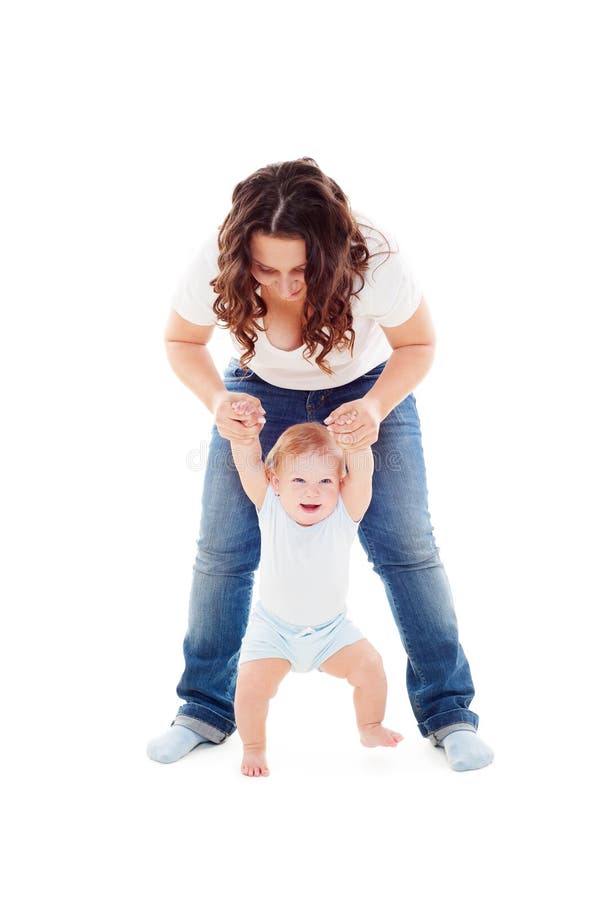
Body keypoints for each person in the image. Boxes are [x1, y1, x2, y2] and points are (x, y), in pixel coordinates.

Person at [147, 156, 494, 772]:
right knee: (223, 549)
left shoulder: (376, 258)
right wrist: (219, 400)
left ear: (333, 252)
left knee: (407, 546)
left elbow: (417, 345)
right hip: (258, 390)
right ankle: (202, 708)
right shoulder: (217, 257)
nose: (283, 285)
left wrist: (376, 407)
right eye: (265, 270)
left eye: (302, 270)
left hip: (365, 387)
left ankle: (448, 714)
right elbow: (181, 340)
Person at [229, 416, 403, 776]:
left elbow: (363, 474)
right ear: (276, 483)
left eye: (325, 480)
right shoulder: (271, 509)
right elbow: (248, 464)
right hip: (273, 631)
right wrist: (244, 434)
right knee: (249, 688)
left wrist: (356, 444)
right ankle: (254, 746)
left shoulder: (343, 516)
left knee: (370, 667)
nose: (313, 491)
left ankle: (370, 726)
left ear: (340, 483)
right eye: (299, 481)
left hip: (331, 632)